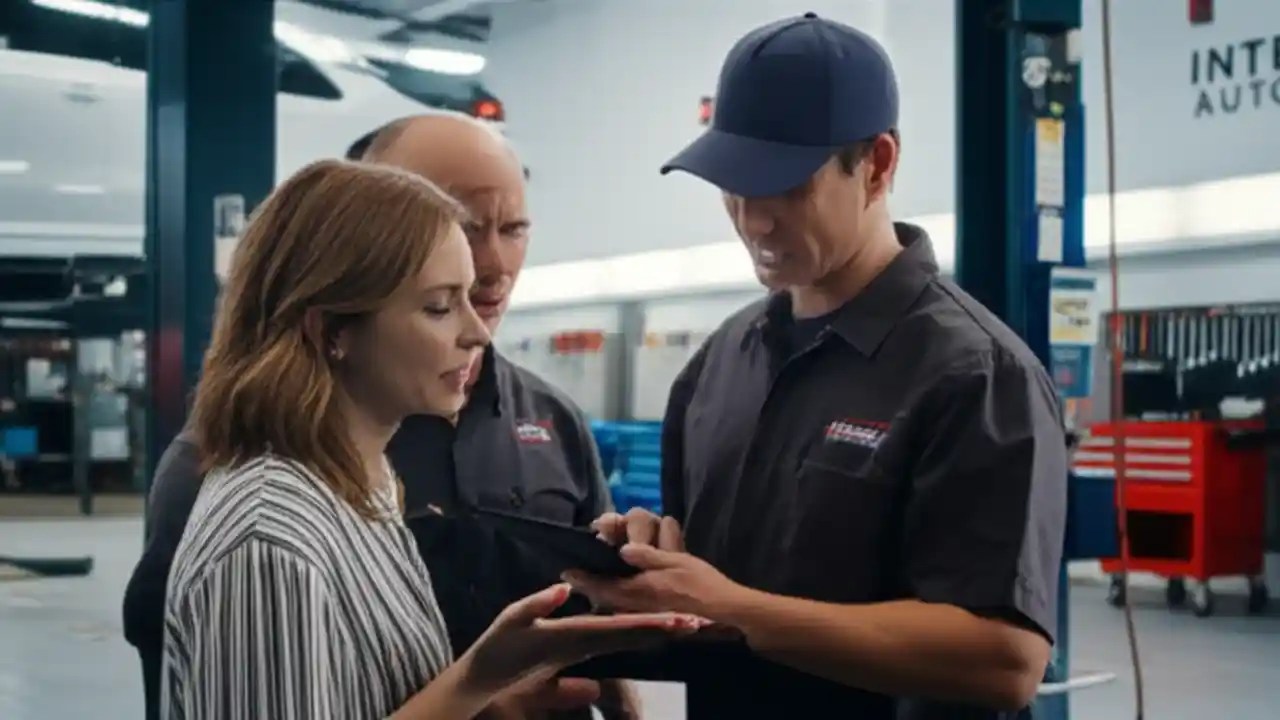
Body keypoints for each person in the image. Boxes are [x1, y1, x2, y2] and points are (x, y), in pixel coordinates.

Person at [565, 13, 1068, 719]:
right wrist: (645, 566)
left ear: (878, 165)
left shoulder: (974, 376)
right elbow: (700, 600)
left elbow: (1004, 659)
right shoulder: (719, 365)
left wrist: (735, 608)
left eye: (787, 187)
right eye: (732, 188)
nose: (753, 221)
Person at [123, 113, 637, 719]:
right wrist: (480, 686)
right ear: (334, 329)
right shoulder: (268, 541)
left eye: (514, 228)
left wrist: (484, 679)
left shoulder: (364, 489)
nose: (476, 331)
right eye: (440, 306)